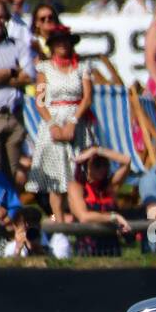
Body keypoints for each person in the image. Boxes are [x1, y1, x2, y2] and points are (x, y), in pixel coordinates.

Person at [26, 24, 95, 226]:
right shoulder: (44, 69)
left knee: (78, 174)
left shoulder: (81, 67)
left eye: (65, 41)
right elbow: (40, 101)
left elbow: (87, 97)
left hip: (77, 121)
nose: (62, 45)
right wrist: (54, 124)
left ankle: (81, 220)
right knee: (56, 179)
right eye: (58, 42)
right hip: (53, 120)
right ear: (53, 46)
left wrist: (73, 121)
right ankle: (60, 225)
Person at [66, 146, 132, 256]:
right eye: (97, 165)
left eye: (105, 164)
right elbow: (84, 217)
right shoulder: (76, 187)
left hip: (111, 247)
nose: (102, 169)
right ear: (85, 167)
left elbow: (127, 161)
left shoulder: (110, 186)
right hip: (88, 249)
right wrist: (113, 217)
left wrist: (97, 150)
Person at [0, 0, 31, 184]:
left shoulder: (17, 45)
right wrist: (12, 71)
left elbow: (28, 76)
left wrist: (0, 76)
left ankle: (8, 212)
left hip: (14, 116)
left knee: (12, 175)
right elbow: (20, 74)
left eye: (1, 17)